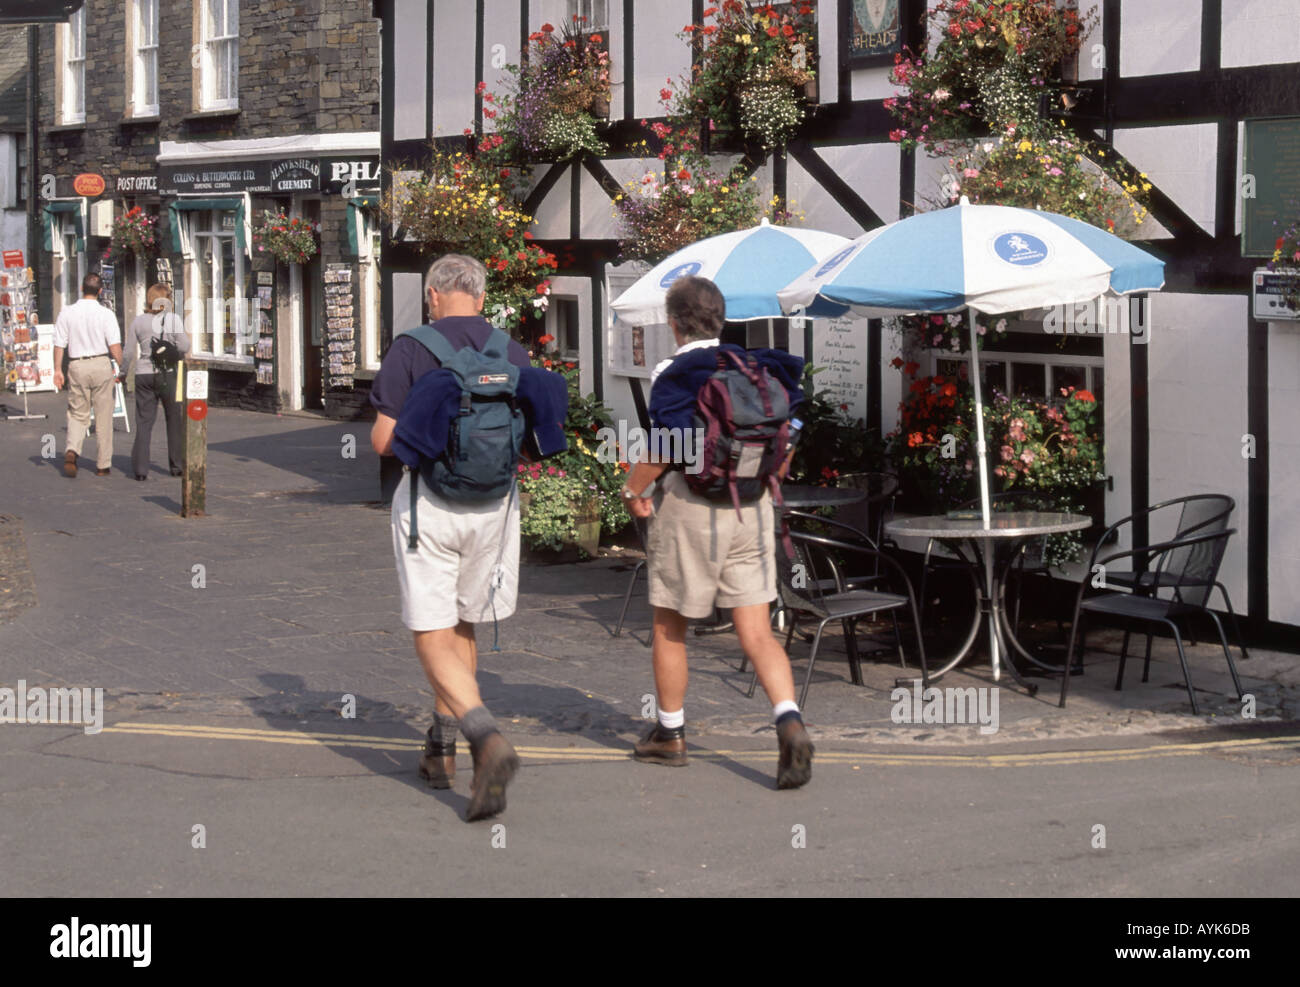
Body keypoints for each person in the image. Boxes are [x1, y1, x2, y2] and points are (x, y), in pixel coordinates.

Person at [370, 254, 563, 822]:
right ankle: (441, 746)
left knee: (431, 633)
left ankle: (483, 737)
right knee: (464, 623)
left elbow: (383, 440)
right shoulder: (511, 351)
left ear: (433, 295)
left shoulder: (410, 347)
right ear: (480, 298)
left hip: (430, 504)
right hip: (495, 509)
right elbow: (532, 437)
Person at [623, 275, 815, 789]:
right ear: (721, 318)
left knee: (671, 623)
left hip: (693, 507)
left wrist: (634, 489)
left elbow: (672, 447)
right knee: (755, 629)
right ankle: (789, 720)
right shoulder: (757, 367)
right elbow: (790, 434)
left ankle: (670, 733)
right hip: (750, 506)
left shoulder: (676, 373)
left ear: (672, 323)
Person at [52, 273, 125, 478]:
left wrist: (57, 369)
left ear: (82, 289)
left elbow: (59, 343)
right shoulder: (106, 314)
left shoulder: (67, 312)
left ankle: (72, 450)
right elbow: (115, 346)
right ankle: (103, 464)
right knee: (103, 416)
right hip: (101, 364)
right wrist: (120, 367)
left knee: (77, 412)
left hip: (77, 365)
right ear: (100, 291)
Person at [123, 284, 190, 481]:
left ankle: (141, 470)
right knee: (174, 419)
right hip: (168, 374)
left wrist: (122, 372)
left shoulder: (138, 321)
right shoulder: (173, 320)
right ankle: (176, 466)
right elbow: (185, 345)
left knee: (144, 422)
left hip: (143, 374)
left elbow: (128, 352)